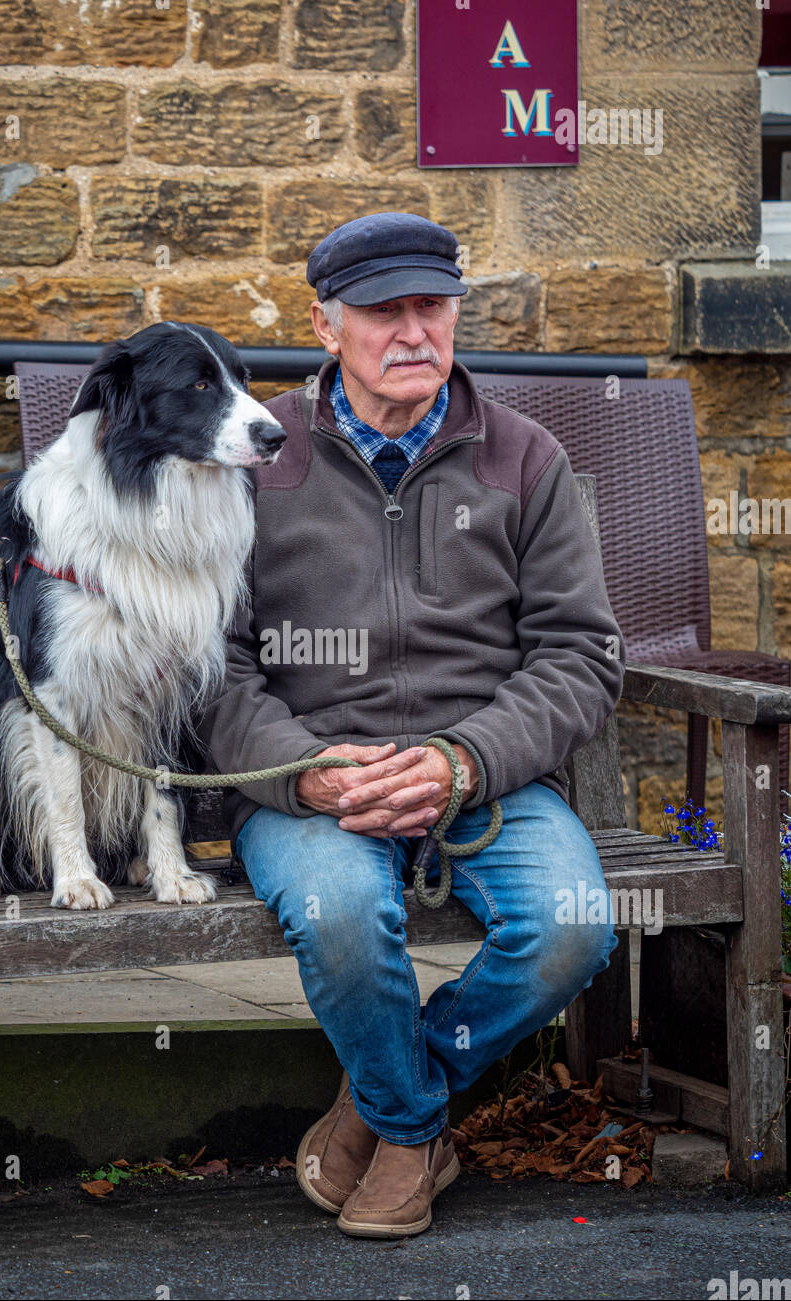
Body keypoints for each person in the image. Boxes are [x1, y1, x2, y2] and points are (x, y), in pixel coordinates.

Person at [197, 211, 626, 1239]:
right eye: (382, 311)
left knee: (571, 924)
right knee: (343, 915)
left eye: (430, 307)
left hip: (484, 776)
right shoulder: (247, 458)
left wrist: (461, 761)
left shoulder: (526, 459)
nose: (412, 332)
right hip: (310, 783)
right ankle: (415, 1124)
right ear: (323, 322)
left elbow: (580, 655)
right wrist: (304, 773)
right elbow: (208, 667)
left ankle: (387, 1110)